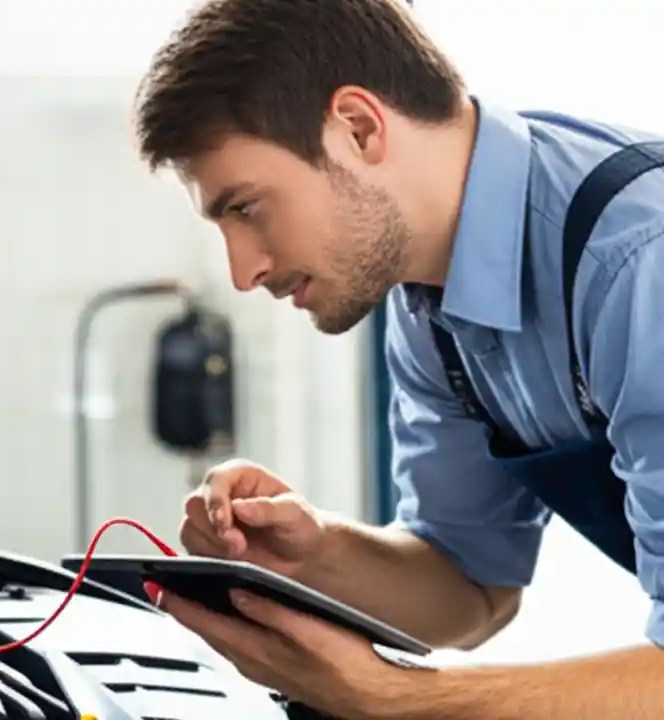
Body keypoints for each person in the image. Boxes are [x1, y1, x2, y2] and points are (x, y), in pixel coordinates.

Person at [131, 0, 664, 717]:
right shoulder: (430, 310)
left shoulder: (639, 263)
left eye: (247, 208)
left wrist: (396, 699)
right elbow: (470, 593)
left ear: (358, 128)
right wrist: (310, 554)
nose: (242, 272)